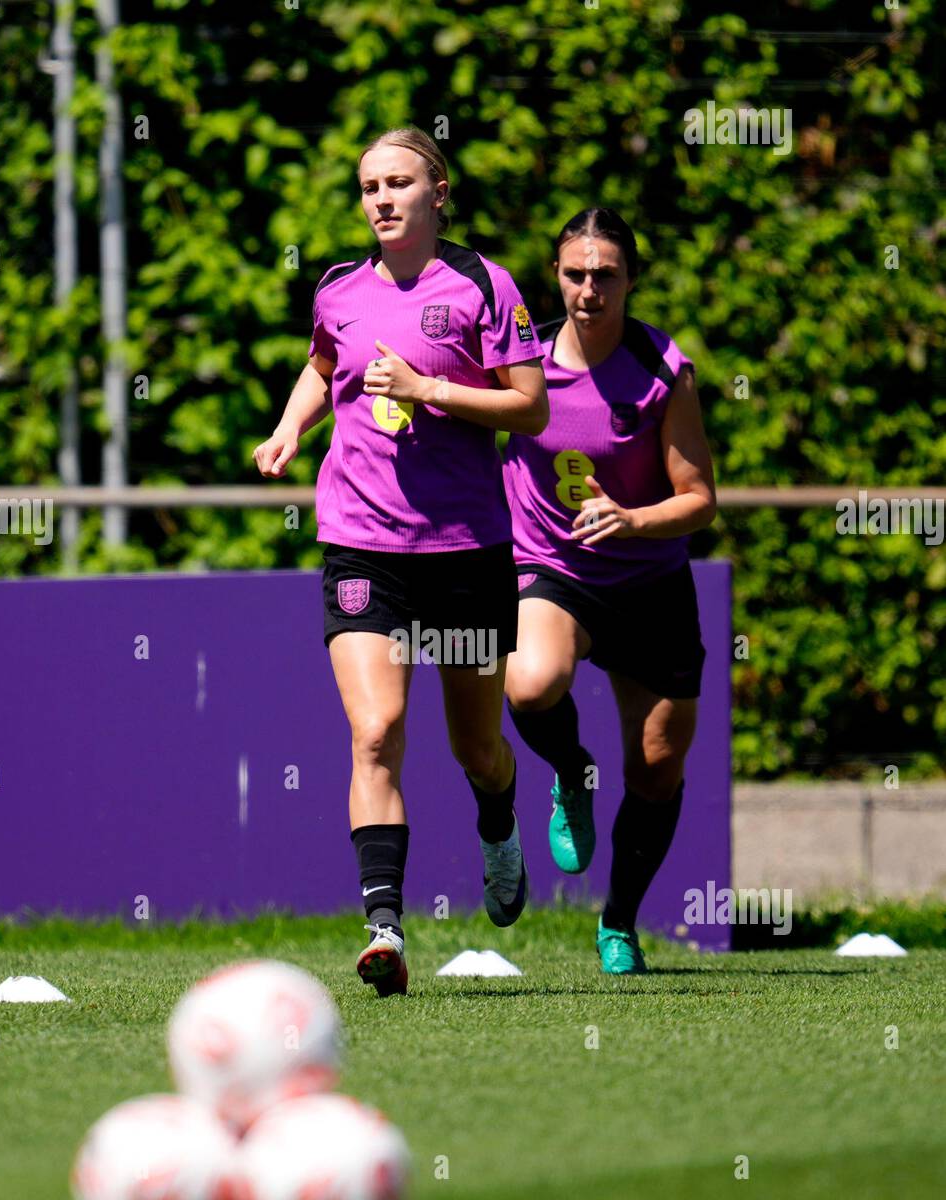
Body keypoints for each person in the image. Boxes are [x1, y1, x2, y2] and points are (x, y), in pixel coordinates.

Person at [253, 127, 548, 996]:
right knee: (375, 731)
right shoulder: (339, 288)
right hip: (359, 542)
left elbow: (528, 408)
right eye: (369, 186)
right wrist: (287, 427)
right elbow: (321, 365)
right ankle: (384, 924)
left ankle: (500, 818)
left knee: (477, 746)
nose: (382, 199)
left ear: (439, 192)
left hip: (464, 552)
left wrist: (432, 392)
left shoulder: (484, 286)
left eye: (400, 184)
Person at [503, 208, 716, 975]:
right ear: (555, 277)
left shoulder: (664, 369)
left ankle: (619, 921)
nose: (589, 289)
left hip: (650, 578)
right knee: (530, 685)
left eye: (606, 275)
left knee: (658, 766)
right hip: (553, 567)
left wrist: (633, 519)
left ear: (631, 279)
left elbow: (698, 498)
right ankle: (569, 774)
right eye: (574, 274)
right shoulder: (518, 360)